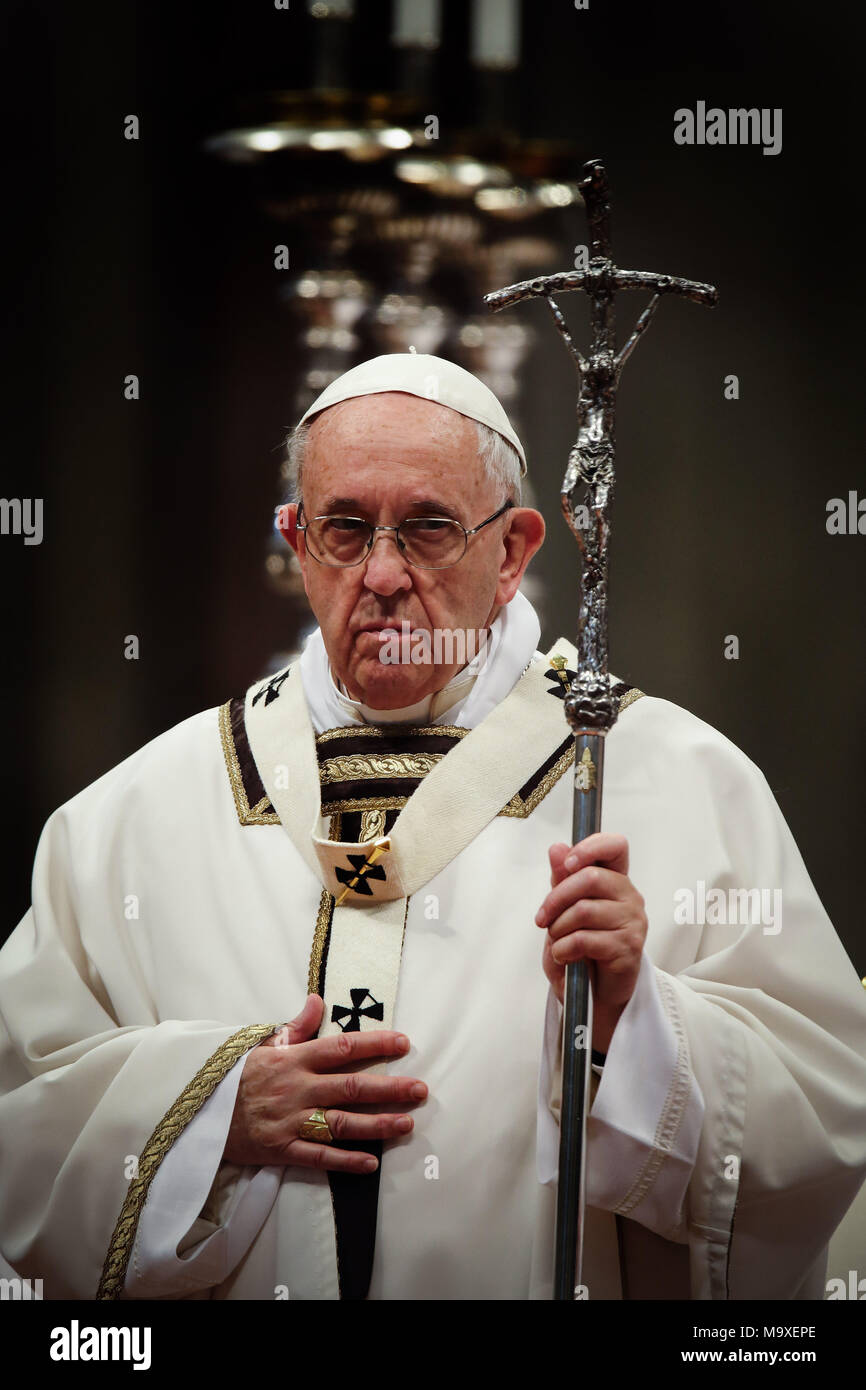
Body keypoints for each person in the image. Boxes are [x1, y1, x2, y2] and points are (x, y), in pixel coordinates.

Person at [0, 352, 864, 1301]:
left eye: (427, 529)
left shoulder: (673, 781)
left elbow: (821, 1116)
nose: (380, 574)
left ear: (515, 552)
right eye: (342, 528)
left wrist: (634, 1027)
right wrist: (208, 1111)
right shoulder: (134, 817)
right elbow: (22, 1116)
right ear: (296, 541)